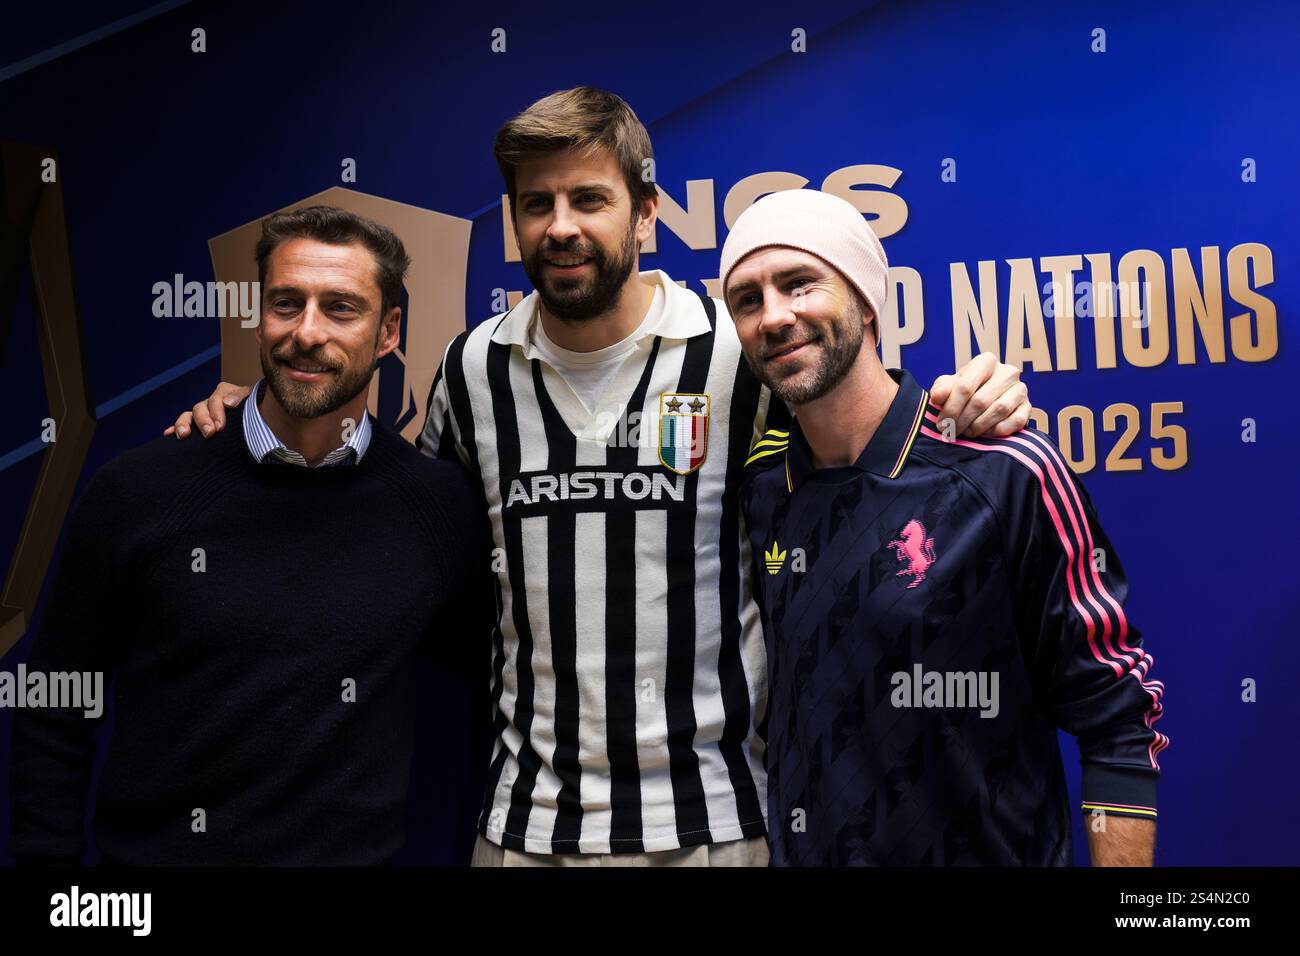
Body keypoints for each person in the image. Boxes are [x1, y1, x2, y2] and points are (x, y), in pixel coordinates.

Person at [165, 87, 1032, 866]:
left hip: (720, 829)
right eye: (535, 205)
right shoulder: (473, 371)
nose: (561, 225)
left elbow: (859, 442)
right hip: (525, 831)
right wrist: (259, 415)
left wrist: (969, 399)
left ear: (646, 214)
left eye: (589, 199)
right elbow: (389, 520)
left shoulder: (737, 349)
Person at [8, 206, 489, 865]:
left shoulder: (439, 509)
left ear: (389, 332)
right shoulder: (138, 492)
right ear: (258, 317)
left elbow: (510, 681)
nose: (307, 333)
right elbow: (55, 709)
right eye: (286, 303)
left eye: (341, 308)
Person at [723, 188, 1167, 866]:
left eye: (799, 284)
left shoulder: (1004, 469)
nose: (774, 316)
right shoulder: (762, 490)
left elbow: (1118, 718)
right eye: (748, 300)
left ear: (868, 304)